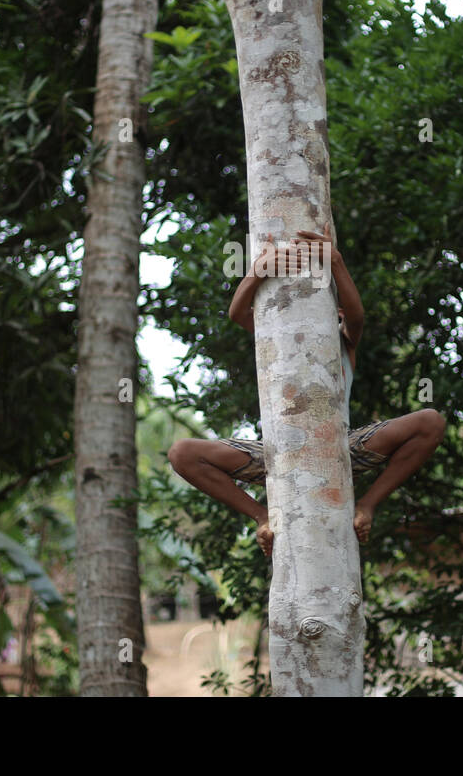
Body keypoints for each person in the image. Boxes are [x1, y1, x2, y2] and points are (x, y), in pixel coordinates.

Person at [167, 223, 445, 557]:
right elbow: (238, 313)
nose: (338, 315)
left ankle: (366, 506)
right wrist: (257, 272)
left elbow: (357, 315)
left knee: (430, 421)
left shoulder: (343, 344)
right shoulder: (276, 340)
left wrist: (335, 262)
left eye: (335, 312)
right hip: (276, 451)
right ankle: (262, 516)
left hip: (341, 446)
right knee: (182, 452)